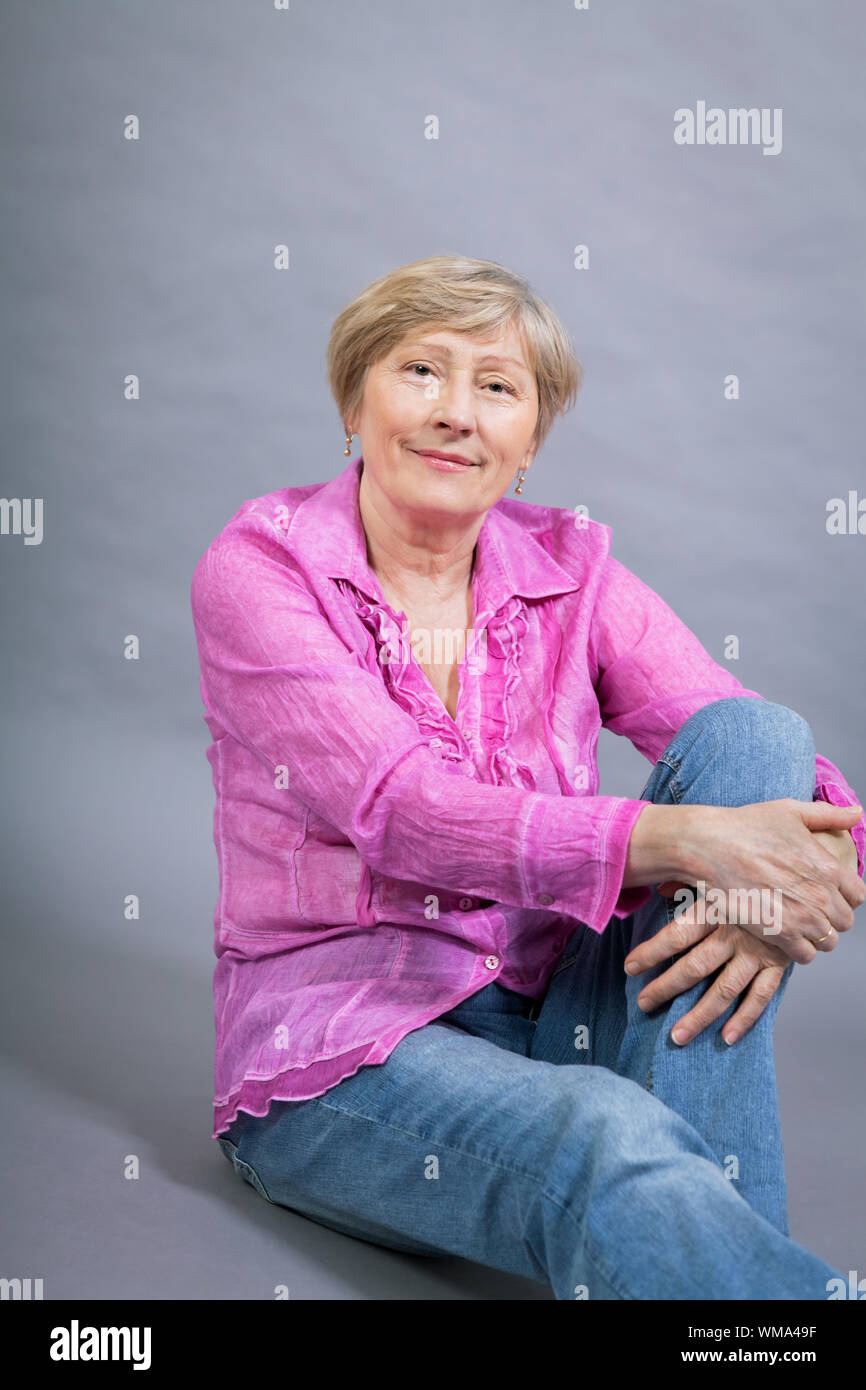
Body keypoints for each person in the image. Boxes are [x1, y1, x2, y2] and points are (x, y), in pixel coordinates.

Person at [190, 254, 865, 1300]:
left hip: (556, 1014)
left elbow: (772, 771)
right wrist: (695, 846)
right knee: (606, 1130)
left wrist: (817, 861)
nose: (456, 413)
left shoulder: (569, 566)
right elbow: (400, 812)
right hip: (349, 1050)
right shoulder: (262, 567)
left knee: (754, 737)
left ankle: (700, 1259)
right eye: (421, 371)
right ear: (352, 401)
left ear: (529, 441)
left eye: (497, 387)